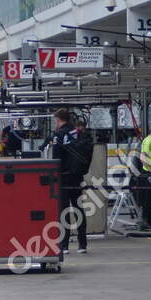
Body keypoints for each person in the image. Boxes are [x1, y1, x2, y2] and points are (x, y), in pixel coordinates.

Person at [48, 107, 94, 254]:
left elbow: (56, 158)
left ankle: (64, 245)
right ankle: (82, 244)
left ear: (59, 119)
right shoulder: (78, 133)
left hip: (63, 176)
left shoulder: (58, 135)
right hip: (77, 175)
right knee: (78, 208)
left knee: (64, 210)